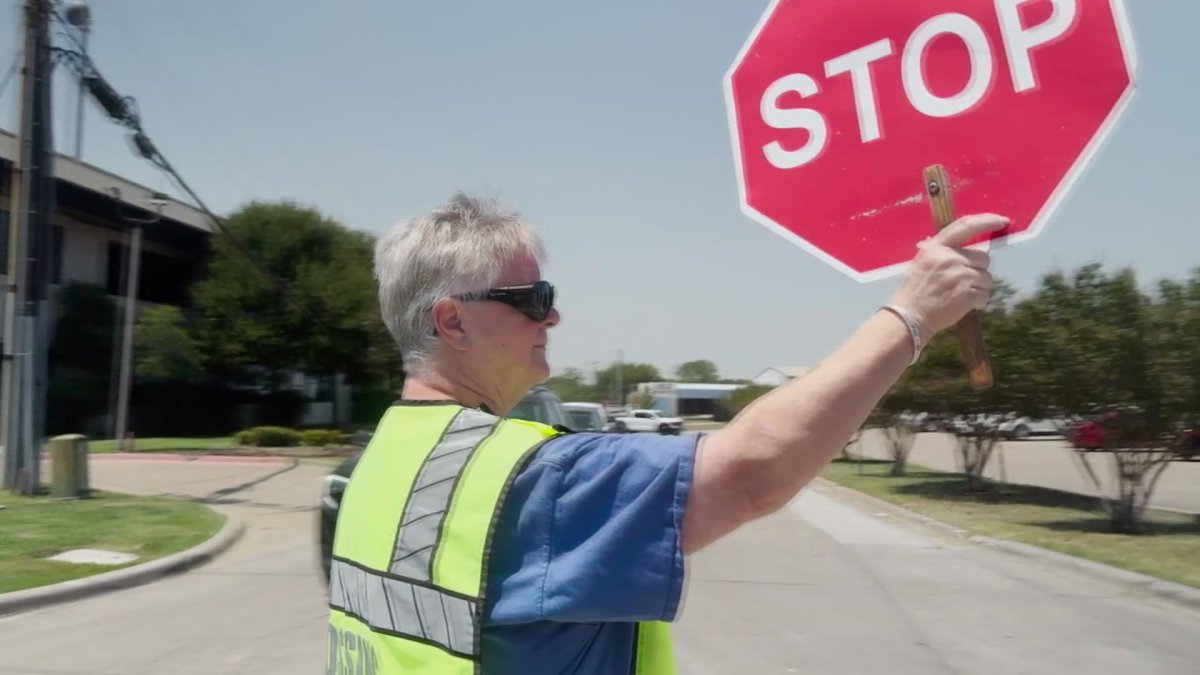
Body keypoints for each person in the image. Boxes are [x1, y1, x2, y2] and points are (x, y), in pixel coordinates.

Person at [325, 192, 1004, 675]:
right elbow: (751, 473)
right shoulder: (527, 475)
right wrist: (911, 316)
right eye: (533, 300)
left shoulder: (377, 459)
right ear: (452, 322)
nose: (552, 318)